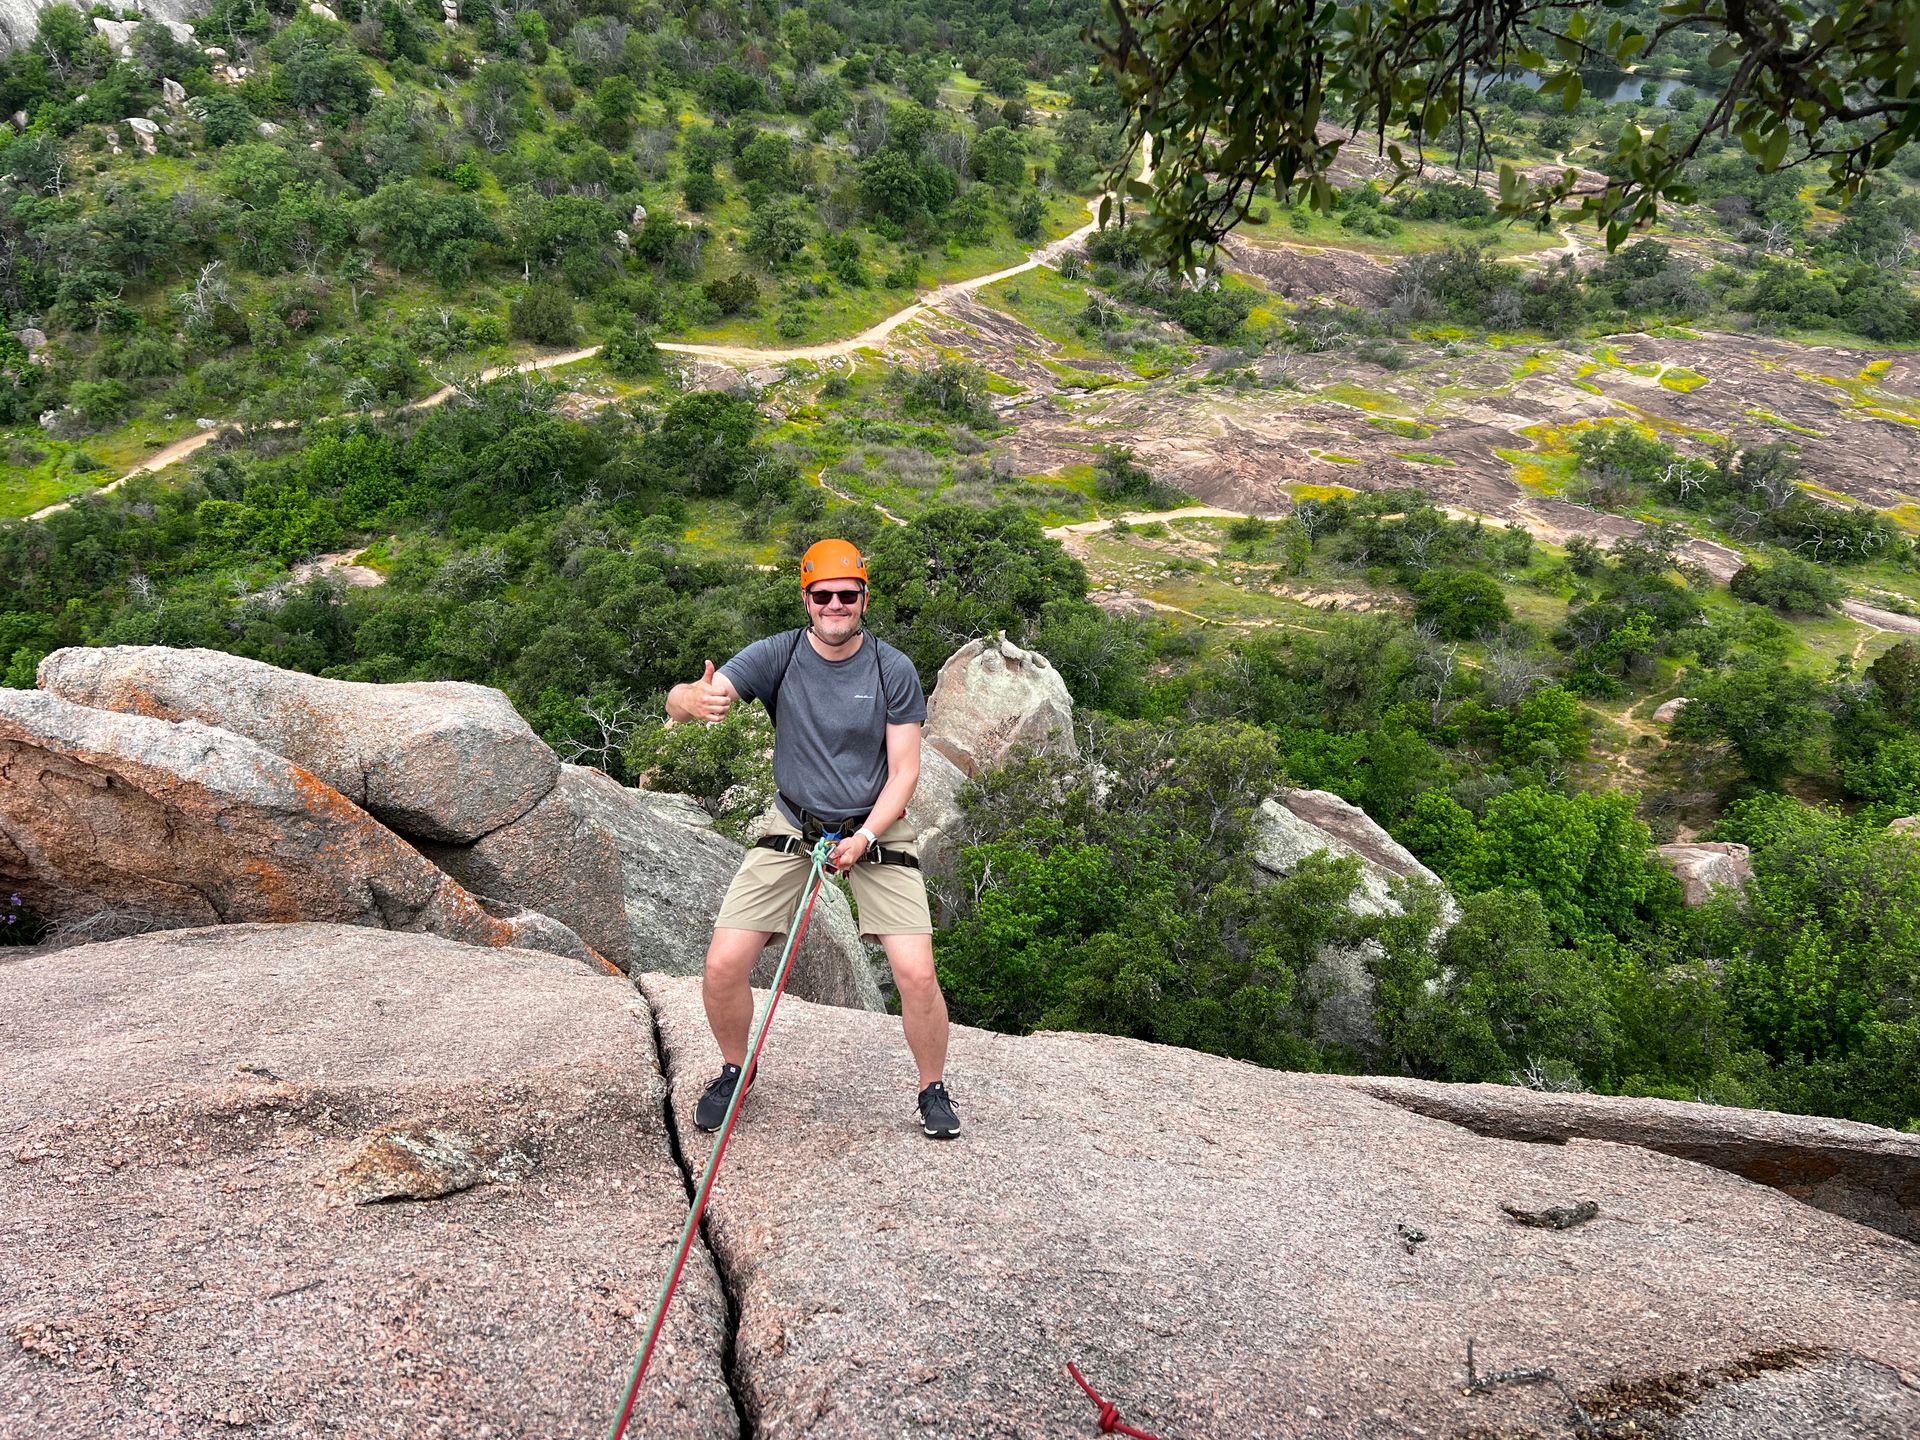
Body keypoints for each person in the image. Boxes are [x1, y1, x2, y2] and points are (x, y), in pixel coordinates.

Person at [664, 538, 960, 1140]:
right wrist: (693, 700)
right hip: (793, 824)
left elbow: (904, 771)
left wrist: (868, 836)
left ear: (863, 599)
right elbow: (683, 700)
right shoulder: (779, 656)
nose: (834, 606)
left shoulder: (890, 668)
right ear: (806, 598)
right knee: (723, 965)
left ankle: (932, 1086)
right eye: (822, 595)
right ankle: (734, 1069)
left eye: (846, 595)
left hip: (875, 824)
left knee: (917, 974)